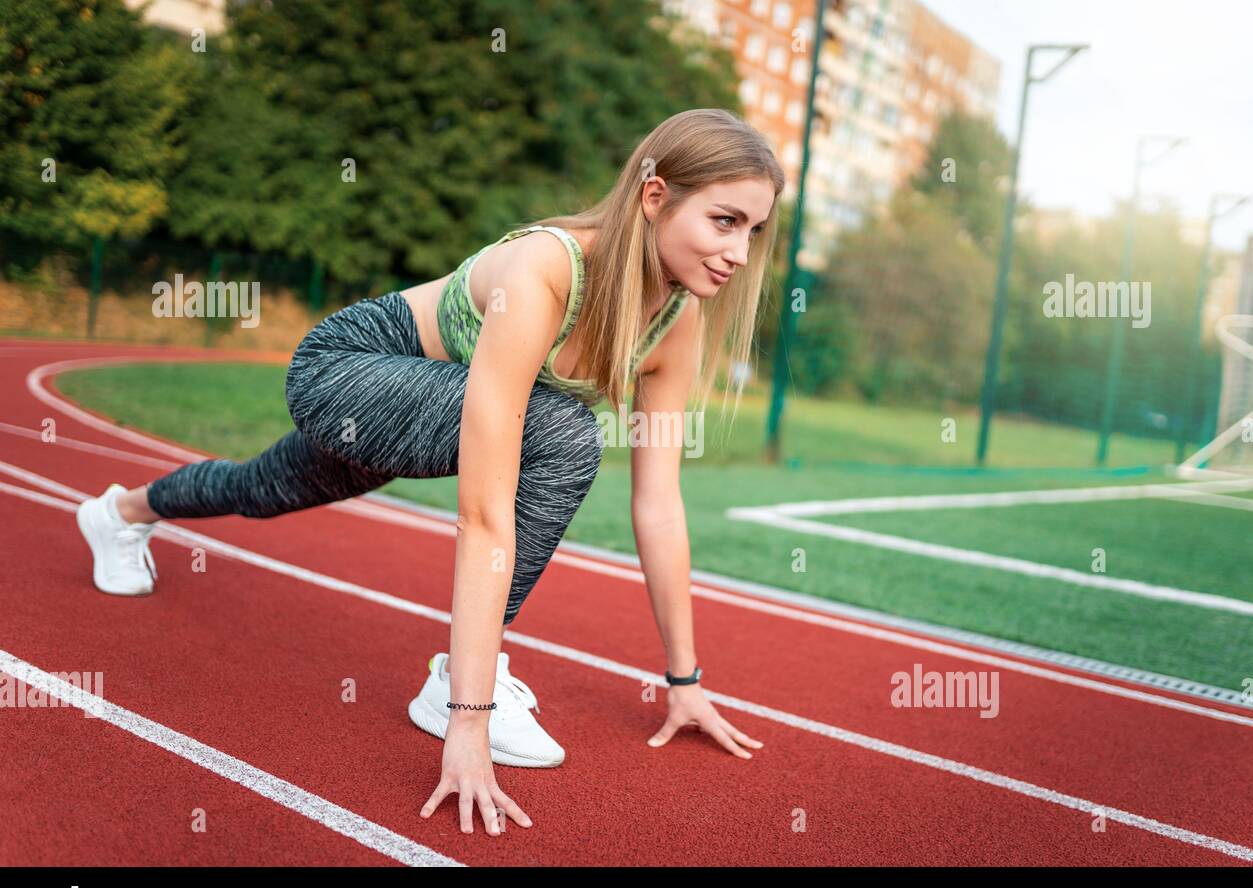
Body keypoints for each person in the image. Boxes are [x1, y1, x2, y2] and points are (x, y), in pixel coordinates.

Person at [76, 107, 783, 837]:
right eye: (724, 220)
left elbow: (660, 504)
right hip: (350, 371)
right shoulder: (548, 267)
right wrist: (466, 724)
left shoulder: (677, 323)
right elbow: (484, 511)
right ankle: (456, 679)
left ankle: (121, 513)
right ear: (655, 195)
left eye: (752, 231)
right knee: (567, 434)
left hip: (425, 411)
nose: (738, 251)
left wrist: (684, 680)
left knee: (263, 489)